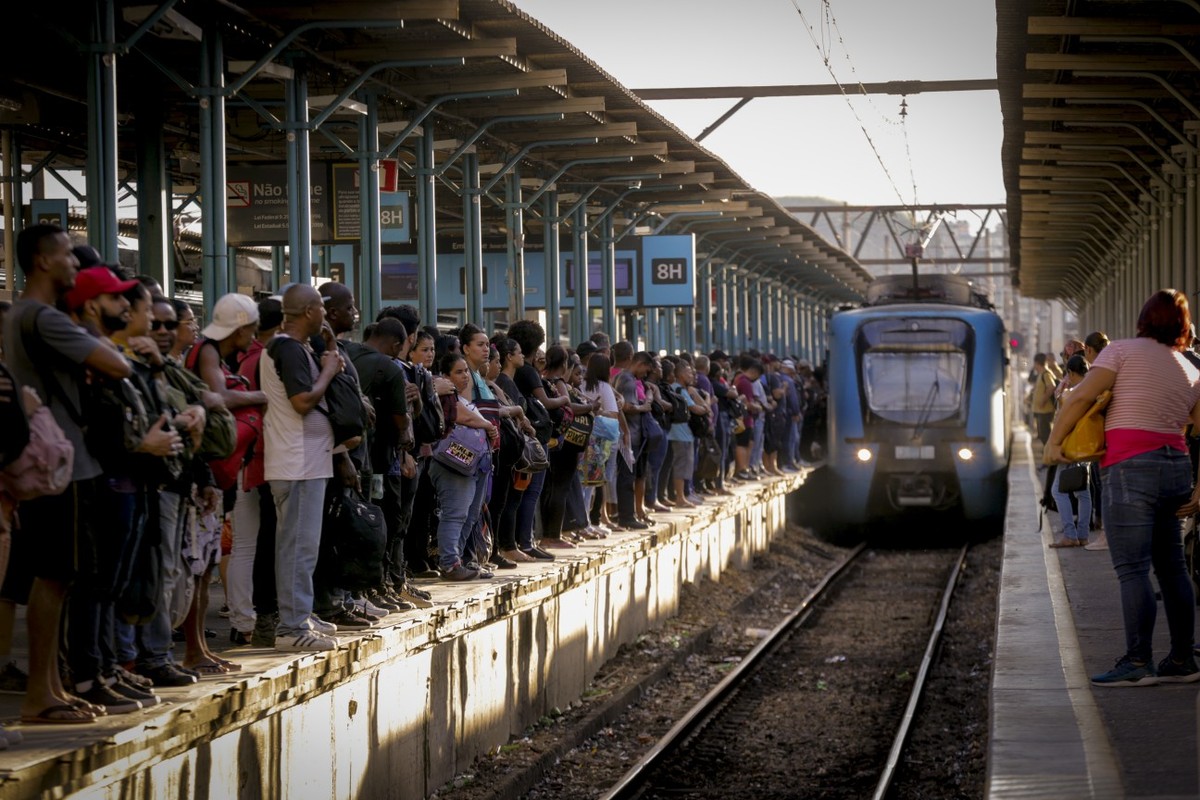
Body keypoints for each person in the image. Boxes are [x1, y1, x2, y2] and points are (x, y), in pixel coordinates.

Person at [3, 227, 142, 724]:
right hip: (64, 461)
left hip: (43, 460)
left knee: (51, 576)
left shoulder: (20, 316)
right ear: (42, 261)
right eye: (66, 256)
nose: (74, 267)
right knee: (56, 576)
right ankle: (42, 692)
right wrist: (90, 327)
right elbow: (116, 365)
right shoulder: (43, 317)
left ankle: (53, 685)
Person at [1046, 289, 1200, 687]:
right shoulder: (1188, 368)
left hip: (1130, 468)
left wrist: (1053, 442)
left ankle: (1137, 662)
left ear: (1144, 319)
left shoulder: (1122, 352)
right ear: (1182, 327)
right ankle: (1183, 659)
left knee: (1132, 570)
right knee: (1172, 567)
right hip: (1176, 467)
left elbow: (1080, 397)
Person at [260, 284, 344, 651]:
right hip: (297, 462)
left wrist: (327, 351)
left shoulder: (294, 348)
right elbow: (302, 402)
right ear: (309, 311)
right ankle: (292, 627)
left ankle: (300, 613)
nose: (326, 315)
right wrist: (327, 371)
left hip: (305, 461)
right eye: (322, 309)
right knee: (297, 546)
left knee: (301, 544)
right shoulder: (288, 349)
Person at [429, 352, 498, 580]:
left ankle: (458, 561)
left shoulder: (461, 397)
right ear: (446, 376)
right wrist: (487, 424)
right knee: (455, 513)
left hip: (473, 465)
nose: (465, 376)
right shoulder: (446, 395)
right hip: (453, 465)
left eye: (466, 371)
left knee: (469, 514)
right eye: (458, 372)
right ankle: (449, 563)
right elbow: (464, 418)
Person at [1047, 356, 1093, 548]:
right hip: (1088, 446)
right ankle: (1082, 535)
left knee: (1057, 491)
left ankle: (1070, 535)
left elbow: (1064, 422)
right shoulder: (1093, 388)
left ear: (1072, 373)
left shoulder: (1072, 394)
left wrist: (1055, 444)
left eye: (1069, 374)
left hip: (1070, 446)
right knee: (1083, 491)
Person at [1030, 353, 1057, 447]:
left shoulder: (1046, 374)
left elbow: (1052, 386)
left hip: (1045, 410)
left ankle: (1050, 460)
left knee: (1046, 436)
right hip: (1042, 411)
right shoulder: (1041, 374)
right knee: (1043, 435)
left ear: (1037, 363)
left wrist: (1043, 401)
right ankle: (1048, 457)